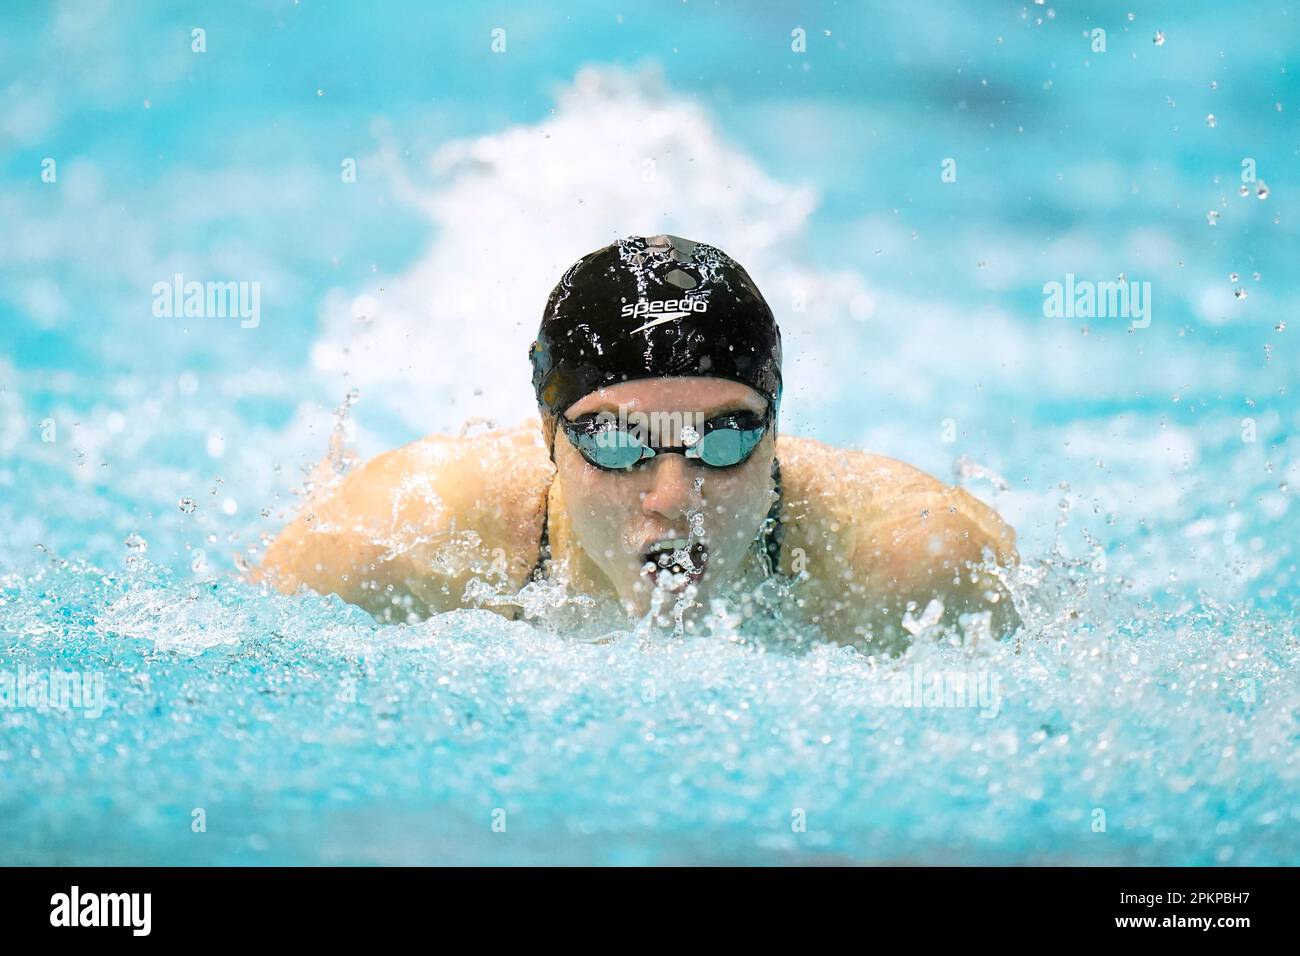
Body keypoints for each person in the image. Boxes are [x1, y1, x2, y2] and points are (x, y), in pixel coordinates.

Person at [258, 234, 1019, 648]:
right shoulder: (395, 538)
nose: (673, 498)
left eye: (722, 442)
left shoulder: (919, 568)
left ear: (778, 431)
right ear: (548, 436)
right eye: (621, 446)